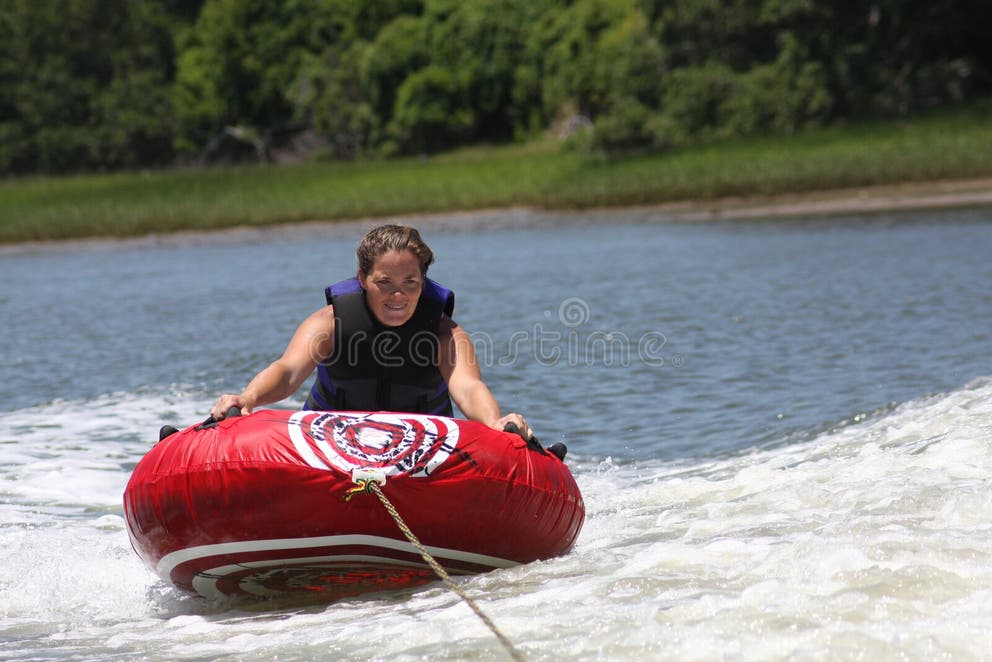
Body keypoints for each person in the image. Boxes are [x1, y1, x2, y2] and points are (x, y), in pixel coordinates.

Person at [210, 224, 533, 439]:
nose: (398, 296)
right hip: (329, 443)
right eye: (384, 283)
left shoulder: (444, 333)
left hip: (422, 451)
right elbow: (287, 371)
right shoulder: (330, 324)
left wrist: (494, 422)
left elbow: (468, 387)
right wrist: (248, 397)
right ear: (362, 278)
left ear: (423, 282)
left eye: (410, 283)